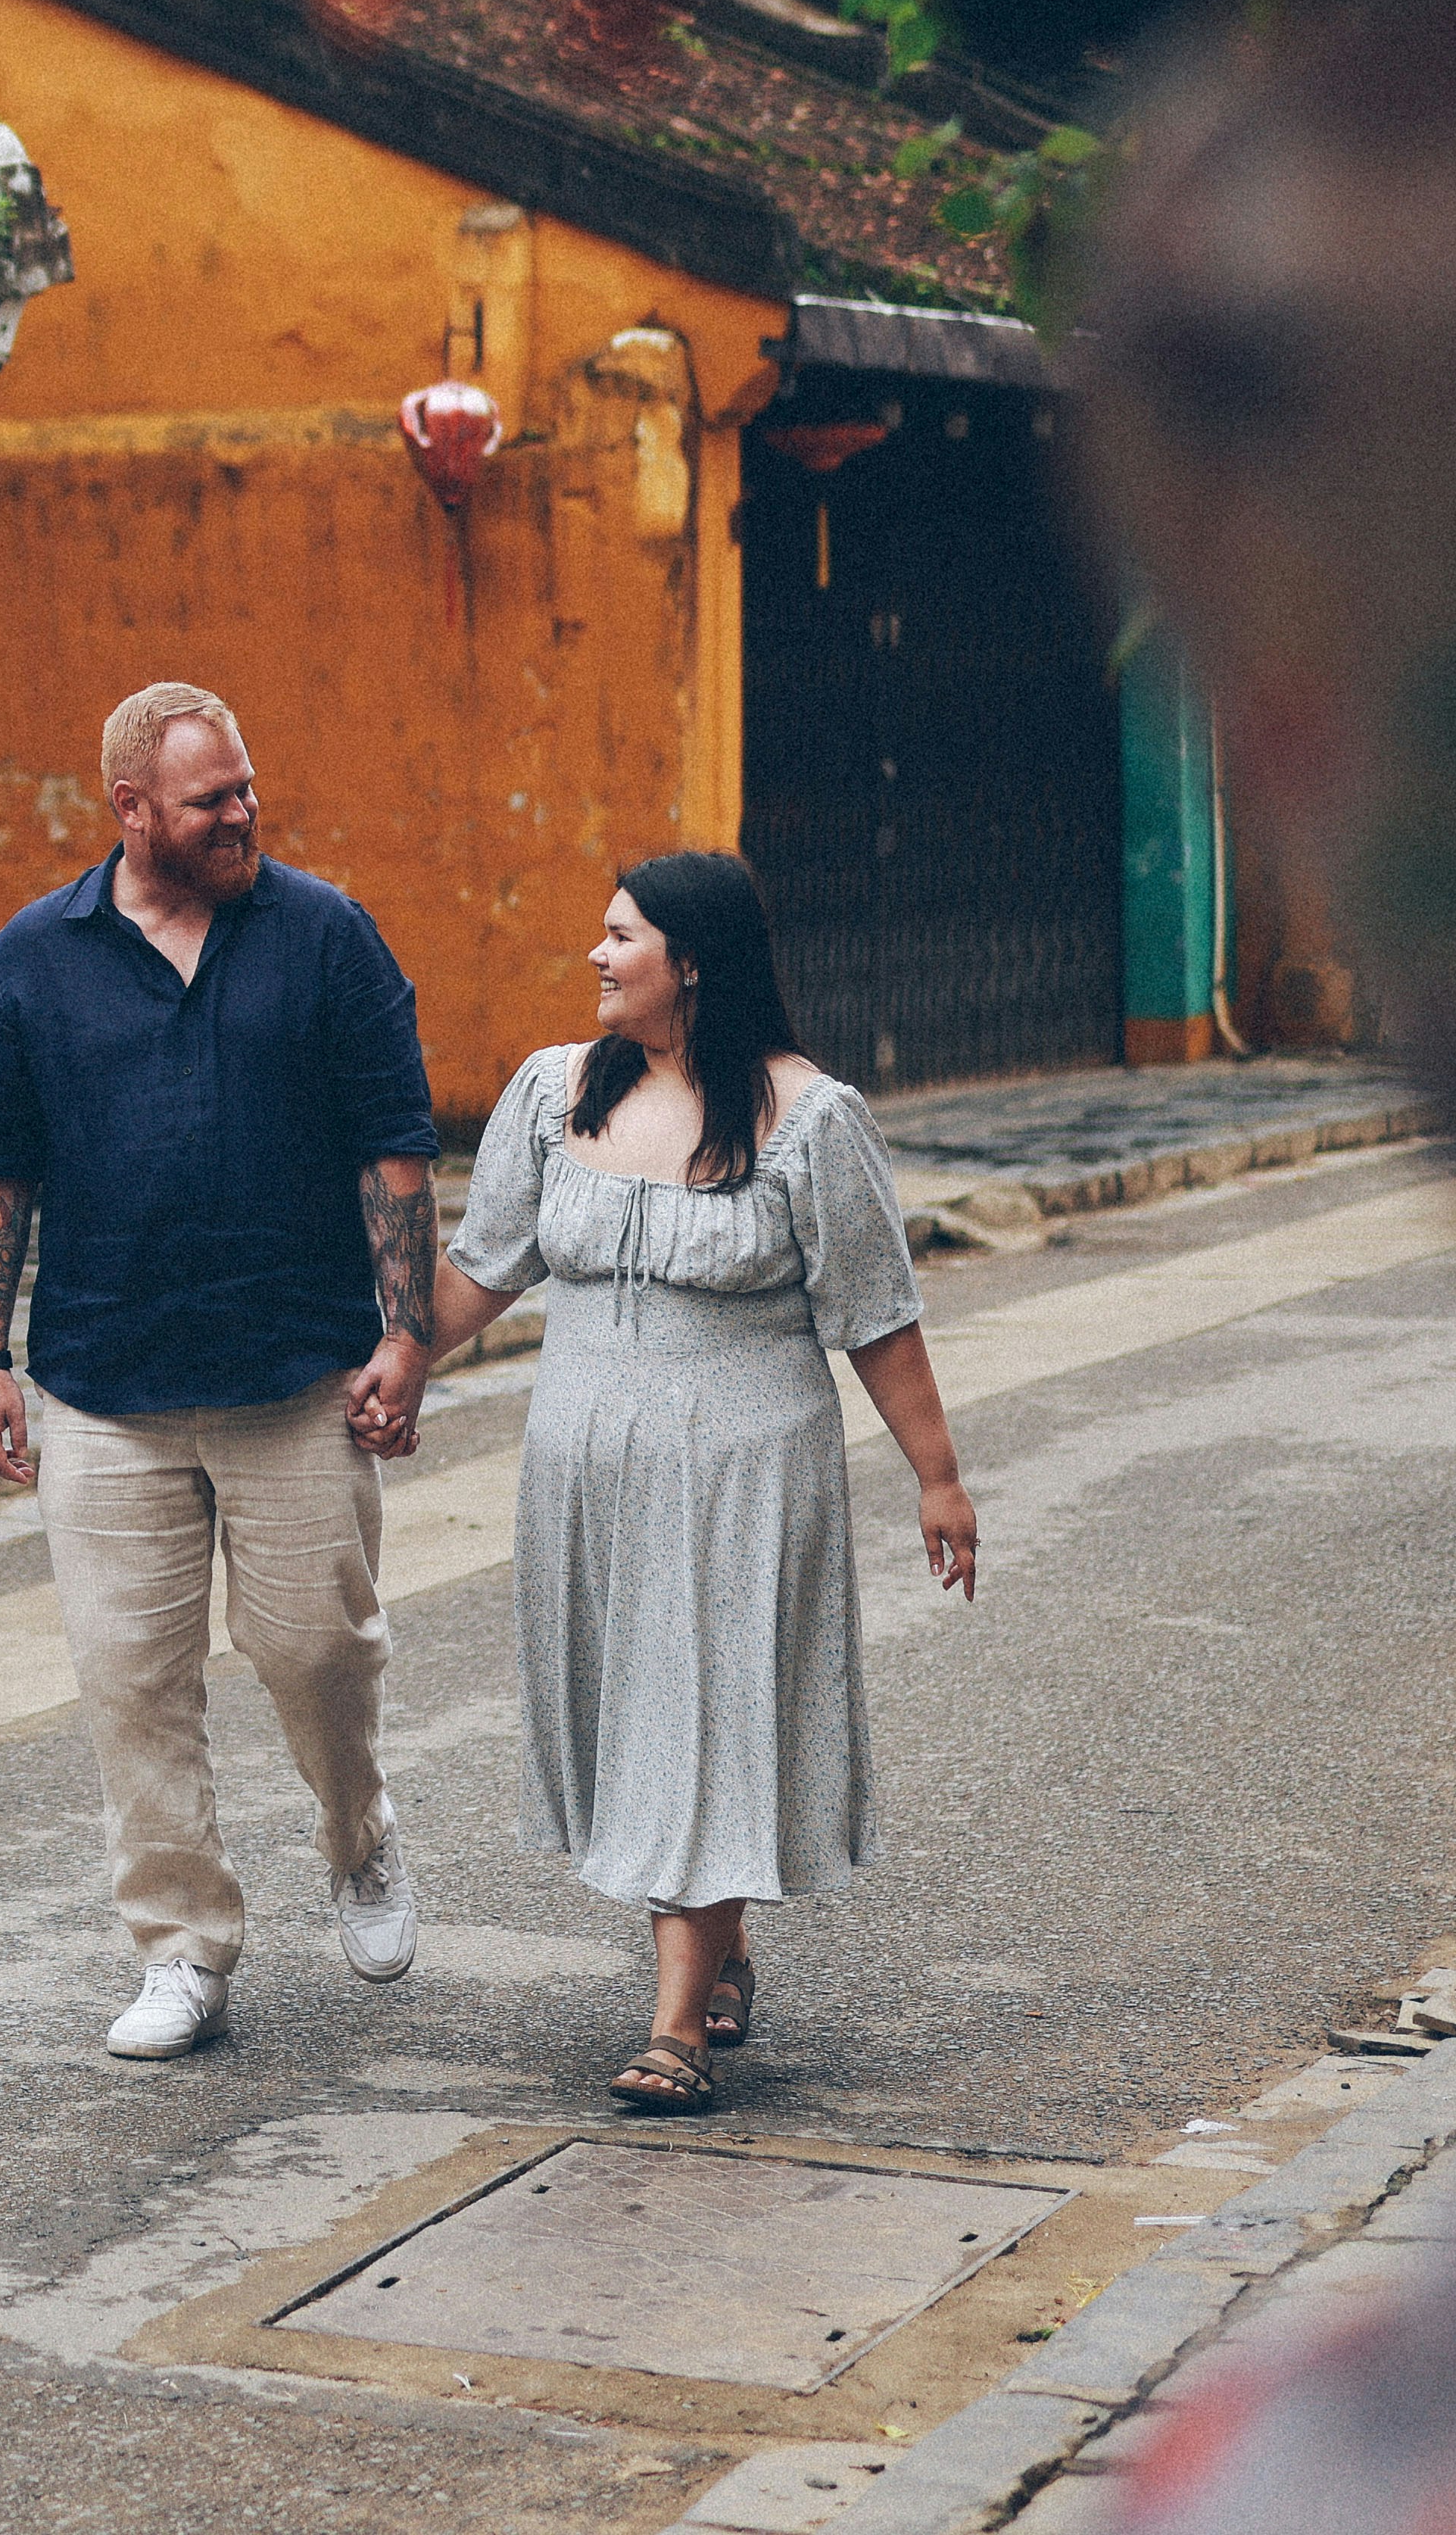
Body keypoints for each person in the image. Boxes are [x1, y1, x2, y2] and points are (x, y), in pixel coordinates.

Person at [385, 851, 974, 2118]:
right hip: (583, 1474)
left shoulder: (810, 1118)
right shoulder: (552, 1093)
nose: (595, 955)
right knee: (636, 1716)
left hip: (742, 1476)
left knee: (702, 1715)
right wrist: (392, 1361)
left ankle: (673, 2027)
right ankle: (722, 1945)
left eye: (619, 936)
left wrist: (937, 1476)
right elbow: (478, 1272)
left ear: (692, 959)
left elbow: (877, 1316)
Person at [0, 681, 443, 2066]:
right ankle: (179, 1945)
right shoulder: (38, 957)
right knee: (130, 1679)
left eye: (245, 785)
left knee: (316, 1651)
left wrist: (403, 1334)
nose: (243, 811)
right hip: (103, 1387)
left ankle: (358, 1833)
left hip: (296, 1376)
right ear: (129, 808)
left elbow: (392, 1146)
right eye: (209, 795)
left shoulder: (326, 934)